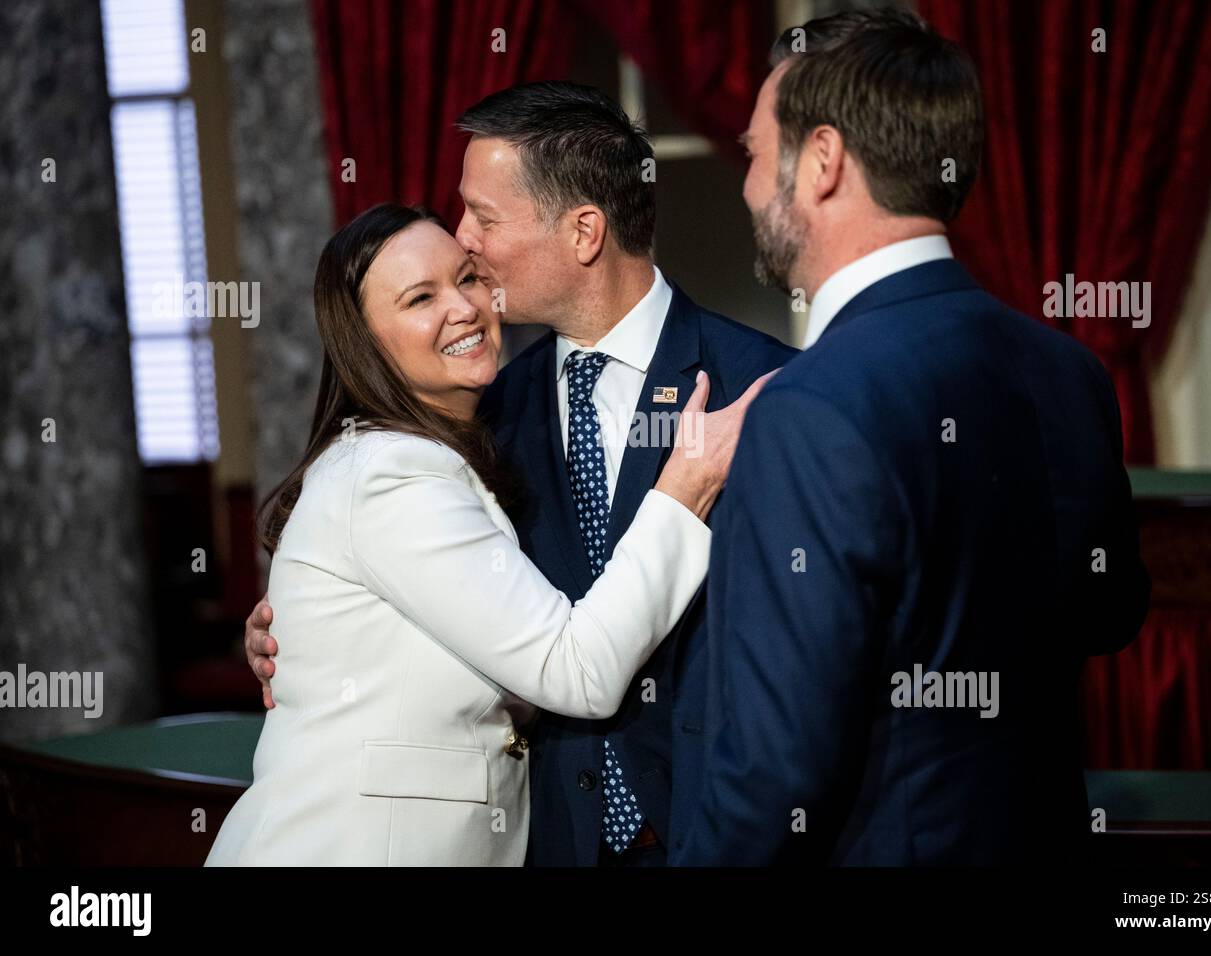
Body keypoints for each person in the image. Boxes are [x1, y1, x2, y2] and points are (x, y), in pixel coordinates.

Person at [245, 82, 794, 866]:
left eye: (484, 218)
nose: (465, 240)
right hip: (545, 843)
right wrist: (300, 628)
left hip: (722, 834)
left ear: (583, 231)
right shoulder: (473, 417)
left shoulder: (761, 388)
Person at [677, 10, 1150, 865]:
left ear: (821, 162)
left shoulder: (809, 407)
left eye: (752, 152)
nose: (745, 184)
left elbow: (777, 768)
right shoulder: (1068, 370)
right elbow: (1110, 613)